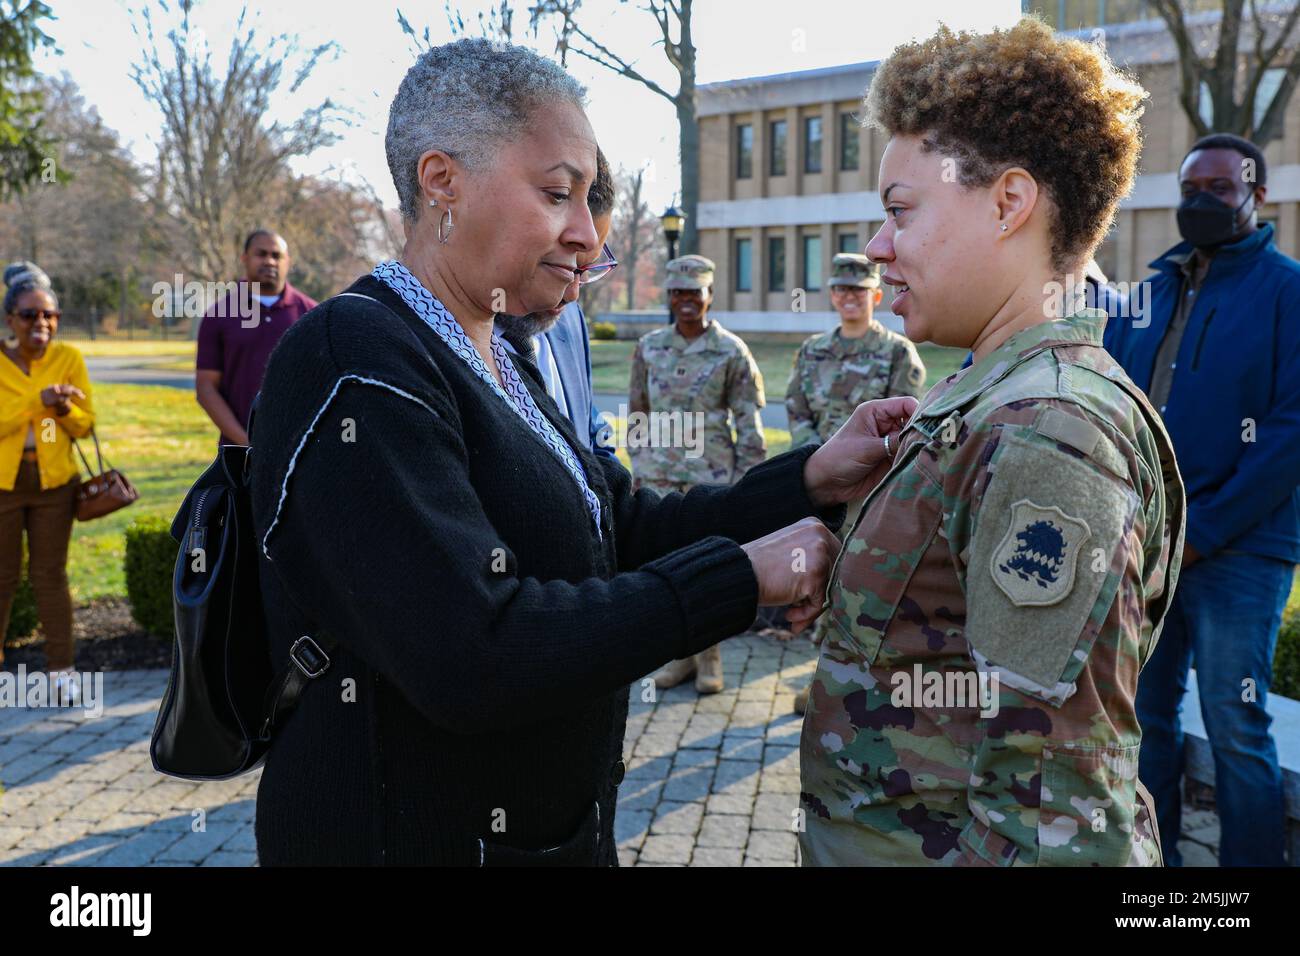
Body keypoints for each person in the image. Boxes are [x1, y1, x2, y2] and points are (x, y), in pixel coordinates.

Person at [246, 38, 908, 866]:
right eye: (559, 194)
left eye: (590, 201)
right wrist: (741, 580)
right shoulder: (356, 362)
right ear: (441, 180)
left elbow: (618, 528)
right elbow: (475, 655)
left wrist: (809, 477)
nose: (590, 239)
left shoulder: (500, 350)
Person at [799, 19, 1185, 867]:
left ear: (1009, 203)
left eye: (900, 211)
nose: (876, 248)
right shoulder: (991, 395)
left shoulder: (1051, 433)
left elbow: (1052, 825)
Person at [1104, 133, 1300, 867]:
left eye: (1219, 188)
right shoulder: (1146, 293)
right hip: (1147, 548)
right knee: (1144, 717)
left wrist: (1202, 530)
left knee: (1235, 720)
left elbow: (1290, 434)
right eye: (1191, 187)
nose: (1201, 201)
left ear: (1259, 195)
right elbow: (1116, 405)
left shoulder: (1288, 292)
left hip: (1241, 552)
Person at [785, 253, 926, 714]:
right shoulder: (813, 351)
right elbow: (797, 409)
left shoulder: (896, 353)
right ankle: (822, 675)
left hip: (874, 492)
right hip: (822, 489)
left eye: (859, 290)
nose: (850, 297)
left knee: (864, 584)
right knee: (820, 577)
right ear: (832, 295)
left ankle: (853, 678)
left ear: (876, 296)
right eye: (842, 289)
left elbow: (910, 421)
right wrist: (816, 460)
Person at [633, 254, 768, 694]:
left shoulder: (731, 351)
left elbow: (748, 423)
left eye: (695, 292)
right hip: (658, 477)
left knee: (706, 569)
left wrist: (751, 484)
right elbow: (638, 411)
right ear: (669, 297)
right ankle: (680, 658)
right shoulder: (649, 346)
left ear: (710, 296)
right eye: (677, 292)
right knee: (664, 567)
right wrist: (637, 465)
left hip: (709, 478)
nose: (686, 300)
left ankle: (710, 659)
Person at [0, 263, 94, 704]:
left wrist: (61, 410)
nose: (41, 324)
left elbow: (85, 425)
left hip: (55, 484)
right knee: (2, 577)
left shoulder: (68, 359)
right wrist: (36, 402)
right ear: (10, 320)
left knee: (49, 576)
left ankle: (62, 673)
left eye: (50, 315)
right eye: (29, 315)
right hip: (4, 484)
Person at [496, 147, 619, 460]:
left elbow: (590, 437)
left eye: (585, 269)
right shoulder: (434, 332)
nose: (572, 293)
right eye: (556, 267)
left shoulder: (571, 319)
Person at [195, 230, 316, 445]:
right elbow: (206, 389)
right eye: (261, 254)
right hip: (238, 456)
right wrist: (247, 444)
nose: (270, 261)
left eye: (276, 255)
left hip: (299, 454)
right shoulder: (219, 314)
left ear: (287, 261)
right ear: (245, 258)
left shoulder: (312, 315)